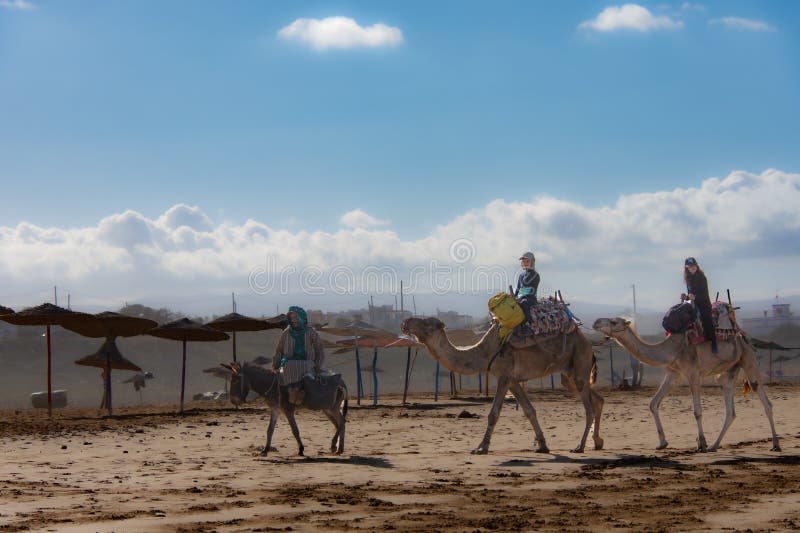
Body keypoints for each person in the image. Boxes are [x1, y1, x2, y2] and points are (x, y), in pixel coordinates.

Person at [273, 306, 326, 399]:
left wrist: (318, 365)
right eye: (291, 318)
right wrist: (276, 365)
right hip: (287, 362)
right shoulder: (286, 333)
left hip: (308, 363)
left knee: (304, 370)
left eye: (296, 318)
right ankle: (290, 393)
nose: (293, 320)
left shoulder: (311, 332)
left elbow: (319, 349)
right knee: (286, 367)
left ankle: (300, 392)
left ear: (302, 318)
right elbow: (279, 351)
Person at [682, 257, 718, 353]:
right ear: (687, 268)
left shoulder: (702, 278)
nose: (692, 268)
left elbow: (705, 294)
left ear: (696, 266)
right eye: (690, 267)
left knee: (707, 320)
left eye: (693, 266)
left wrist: (695, 297)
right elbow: (689, 293)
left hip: (704, 304)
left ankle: (713, 343)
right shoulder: (688, 279)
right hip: (693, 304)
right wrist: (687, 297)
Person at [514, 251, 540, 323]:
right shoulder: (521, 275)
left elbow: (531, 291)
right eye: (523, 261)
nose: (525, 263)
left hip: (530, 298)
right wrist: (513, 297)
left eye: (527, 261)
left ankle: (529, 323)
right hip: (520, 298)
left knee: (524, 303)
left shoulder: (535, 275)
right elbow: (518, 288)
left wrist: (521, 298)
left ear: (532, 262)